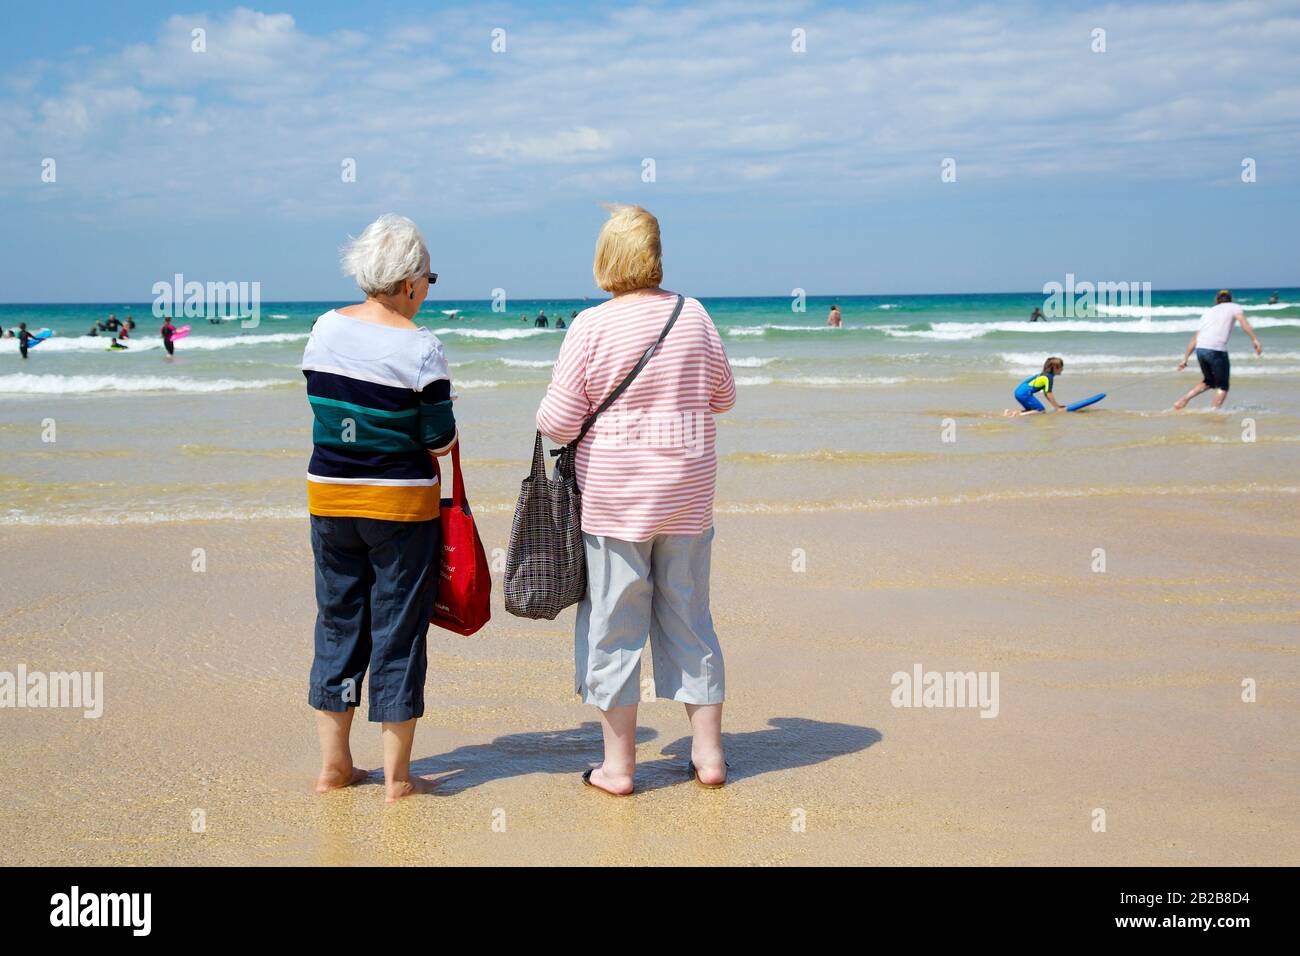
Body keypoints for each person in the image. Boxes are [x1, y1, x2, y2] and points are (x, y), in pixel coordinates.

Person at [536, 204, 737, 795]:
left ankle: (620, 768)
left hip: (616, 505)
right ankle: (709, 756)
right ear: (655, 255)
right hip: (688, 500)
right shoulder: (694, 314)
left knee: (615, 627)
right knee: (691, 620)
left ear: (606, 257)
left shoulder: (591, 326)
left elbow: (557, 422)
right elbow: (723, 396)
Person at [302, 213, 457, 802]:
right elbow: (438, 439)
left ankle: (335, 766)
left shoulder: (322, 329)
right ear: (411, 281)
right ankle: (397, 779)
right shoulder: (421, 348)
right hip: (400, 510)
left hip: (330, 499)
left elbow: (326, 409)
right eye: (429, 278)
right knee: (397, 631)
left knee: (339, 623)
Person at [1174, 290, 1262, 410]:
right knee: (1223, 385)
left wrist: (1185, 359)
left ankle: (1182, 400)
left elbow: (1196, 337)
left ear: (1216, 300)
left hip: (1201, 349)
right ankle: (1214, 412)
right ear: (1230, 300)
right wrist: (1254, 339)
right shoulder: (1234, 307)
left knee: (1209, 382)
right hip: (1216, 350)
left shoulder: (1207, 313)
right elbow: (1243, 322)